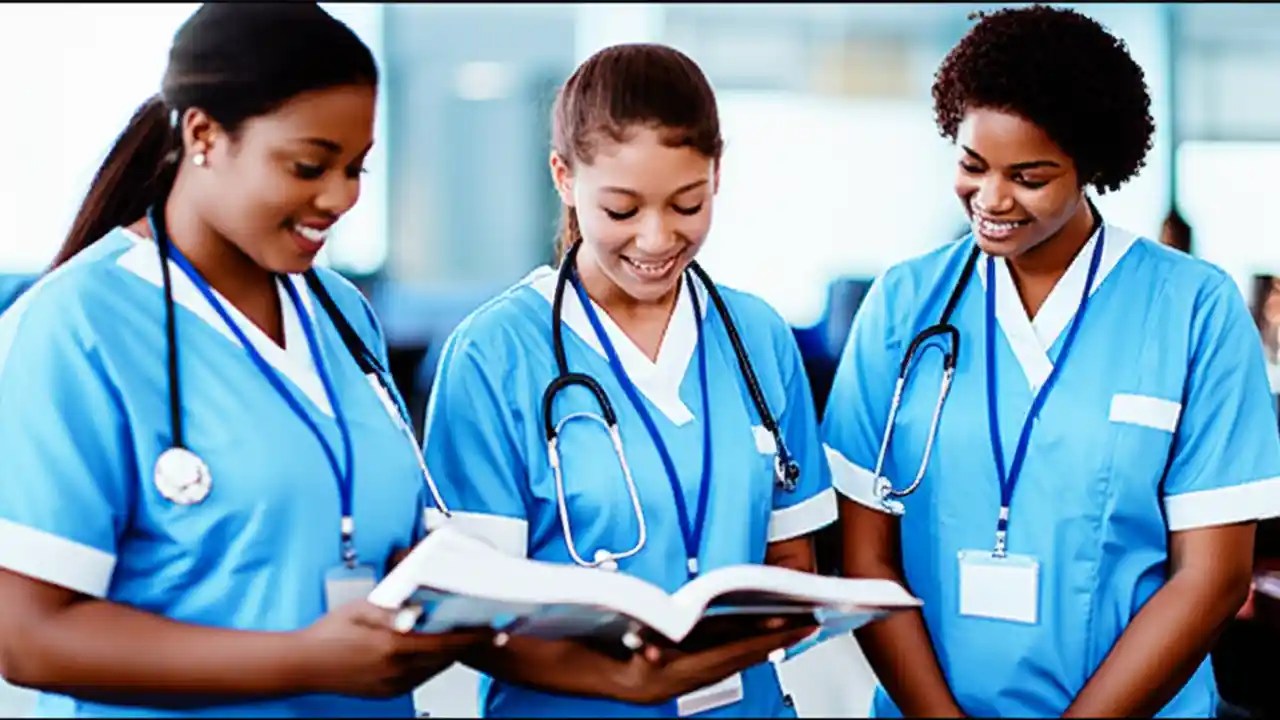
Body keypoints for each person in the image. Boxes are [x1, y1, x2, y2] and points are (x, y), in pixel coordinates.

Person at [0, 6, 809, 718]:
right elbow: (26, 637)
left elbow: (418, 559)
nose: (340, 199)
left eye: (357, 168)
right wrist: (303, 659)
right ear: (203, 135)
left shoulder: (340, 316)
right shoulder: (76, 326)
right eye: (309, 166)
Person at [822, 5, 1280, 718]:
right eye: (973, 165)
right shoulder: (904, 304)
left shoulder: (1194, 308)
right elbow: (867, 560)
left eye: (1031, 177)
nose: (993, 199)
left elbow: (1213, 578)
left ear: (1091, 165)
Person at [421, 43, 837, 718]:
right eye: (621, 210)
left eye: (687, 205)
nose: (656, 239)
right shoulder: (494, 354)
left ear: (717, 175)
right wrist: (628, 683)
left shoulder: (757, 335)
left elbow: (790, 559)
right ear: (563, 177)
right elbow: (468, 613)